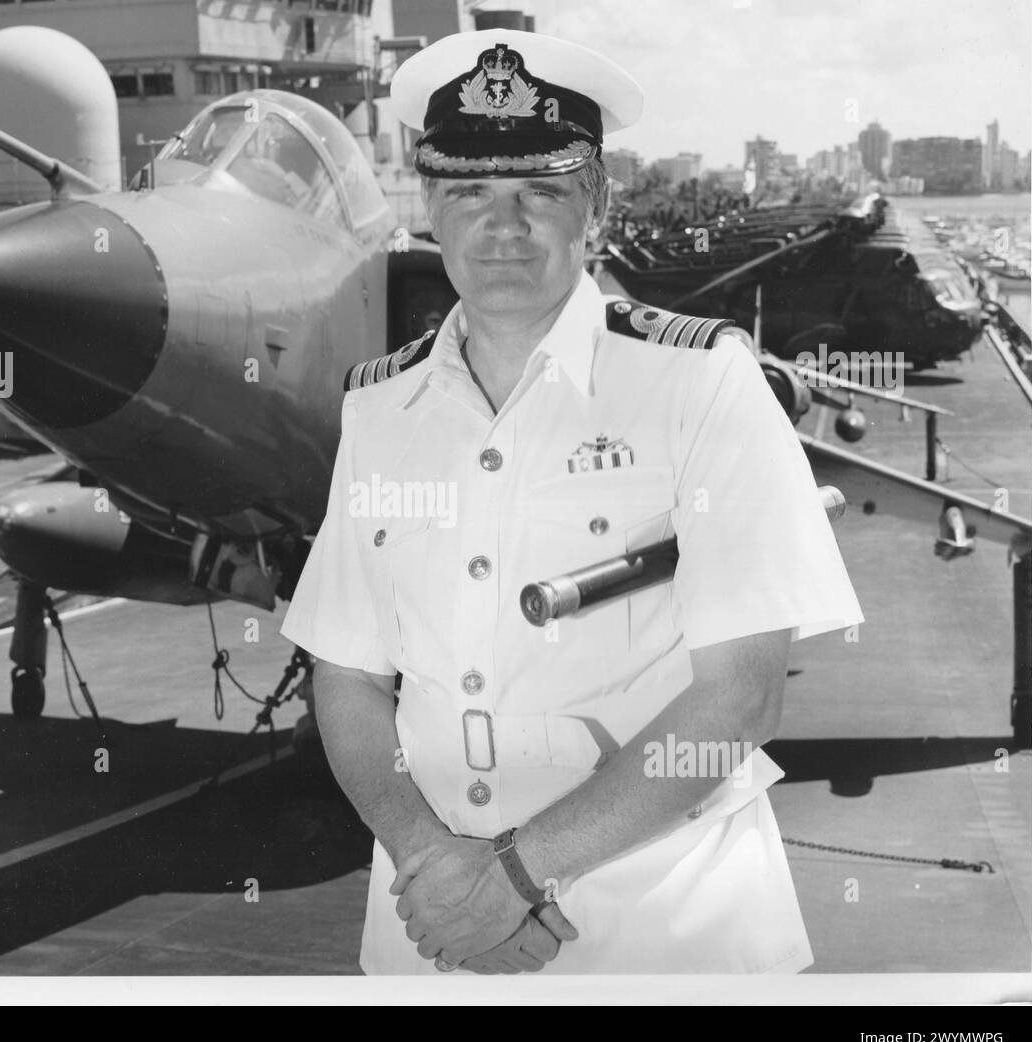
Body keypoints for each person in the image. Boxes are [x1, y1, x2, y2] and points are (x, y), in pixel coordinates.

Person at [280, 28, 862, 975]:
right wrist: (432, 858)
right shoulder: (381, 409)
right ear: (428, 210)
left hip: (664, 938)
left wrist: (508, 880)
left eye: (540, 193)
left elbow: (741, 696)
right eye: (468, 192)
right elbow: (346, 676)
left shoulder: (699, 383)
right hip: (431, 936)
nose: (500, 226)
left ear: (595, 218)